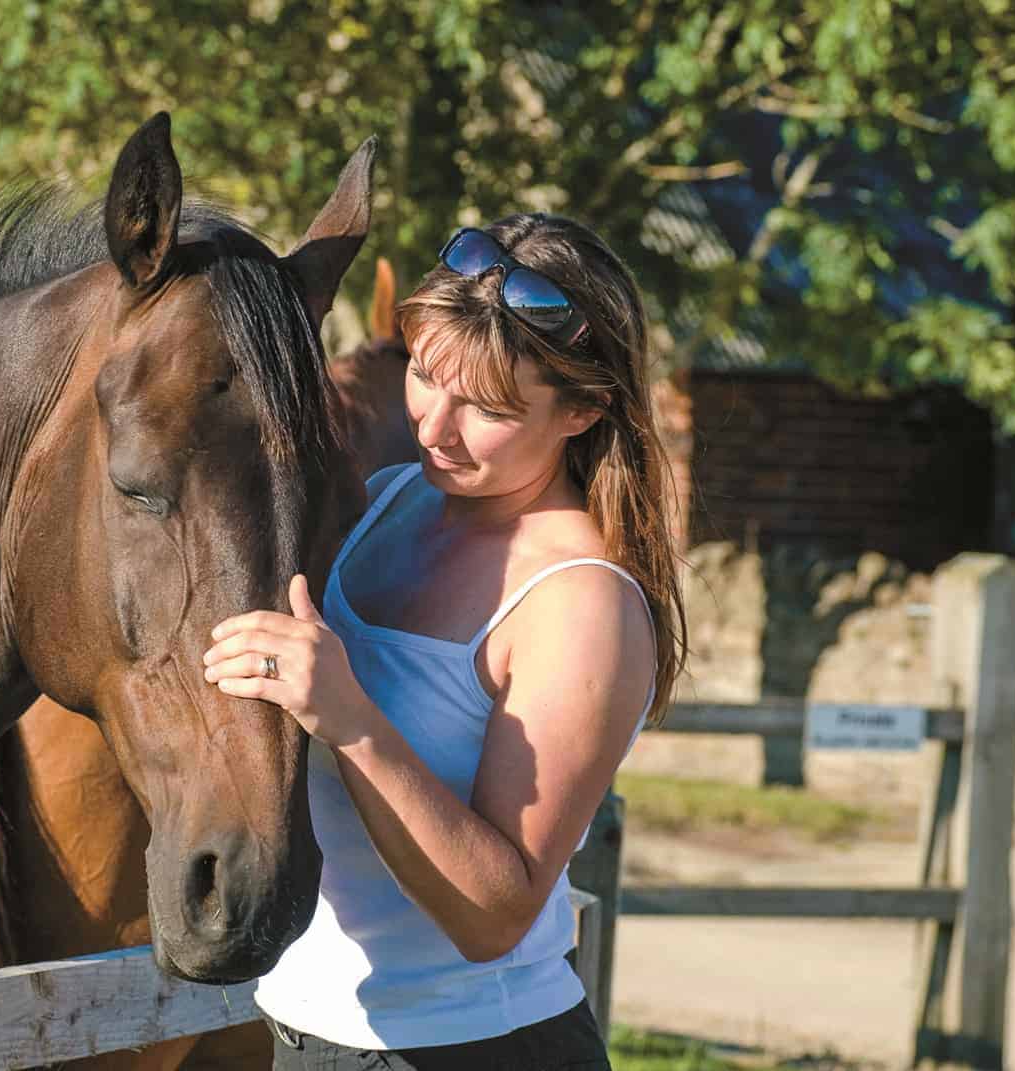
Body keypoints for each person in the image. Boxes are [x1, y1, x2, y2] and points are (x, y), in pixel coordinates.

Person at [201, 213, 688, 1069]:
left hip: (476, 1046)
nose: (433, 426)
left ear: (582, 409)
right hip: (300, 1037)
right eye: (425, 375)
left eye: (488, 407)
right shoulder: (385, 500)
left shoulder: (581, 603)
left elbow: (492, 917)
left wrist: (349, 717)